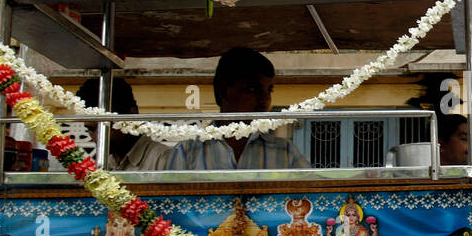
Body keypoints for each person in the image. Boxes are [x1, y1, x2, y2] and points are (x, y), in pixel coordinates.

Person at [166, 47, 311, 170]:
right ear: (224, 91)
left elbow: (313, 198)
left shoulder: (285, 153)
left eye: (269, 90)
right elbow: (168, 201)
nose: (264, 100)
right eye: (253, 89)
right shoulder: (187, 152)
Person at [76, 76, 172, 171]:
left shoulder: (162, 159)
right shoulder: (105, 163)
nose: (98, 137)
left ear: (131, 114)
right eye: (91, 129)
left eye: (106, 127)